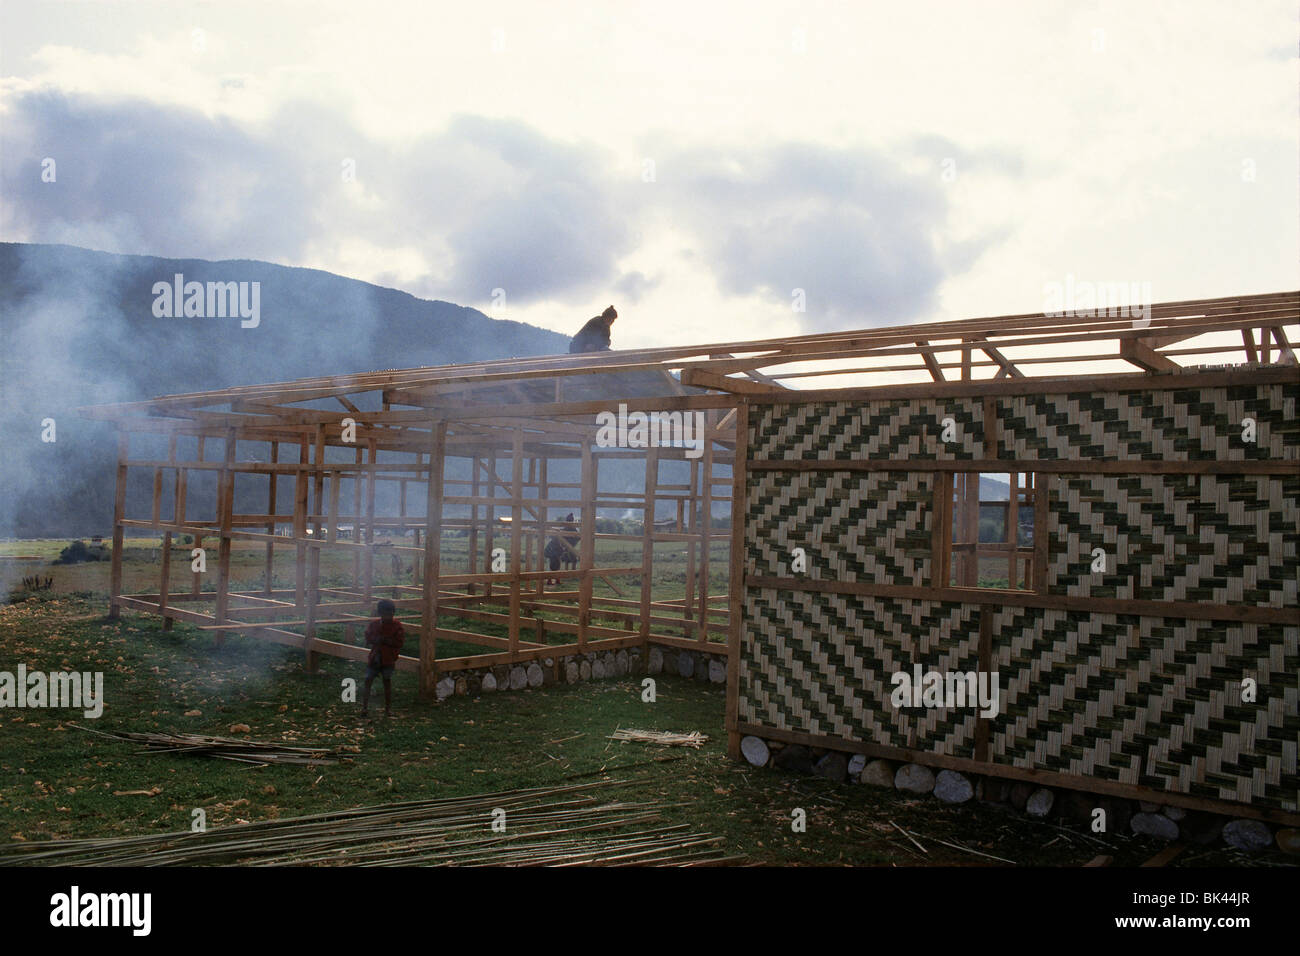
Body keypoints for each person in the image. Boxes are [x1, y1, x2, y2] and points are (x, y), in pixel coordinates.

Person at [362, 599, 406, 718]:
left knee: (387, 682)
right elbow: (368, 637)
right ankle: (364, 708)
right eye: (385, 614)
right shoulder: (374, 625)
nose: (388, 616)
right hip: (375, 658)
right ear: (380, 613)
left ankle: (387, 709)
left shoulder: (397, 626)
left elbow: (399, 642)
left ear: (393, 613)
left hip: (388, 659)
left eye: (390, 613)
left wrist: (385, 640)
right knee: (368, 680)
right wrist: (376, 639)